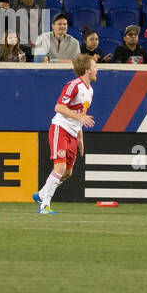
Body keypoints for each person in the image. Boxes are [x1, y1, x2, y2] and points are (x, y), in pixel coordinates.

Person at [34, 56, 97, 215]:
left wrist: (80, 136)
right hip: (60, 128)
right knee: (60, 167)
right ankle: (44, 206)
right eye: (95, 67)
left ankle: (41, 194)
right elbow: (59, 107)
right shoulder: (73, 85)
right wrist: (79, 118)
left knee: (68, 173)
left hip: (73, 133)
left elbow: (81, 114)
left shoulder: (90, 90)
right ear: (87, 69)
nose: (97, 70)